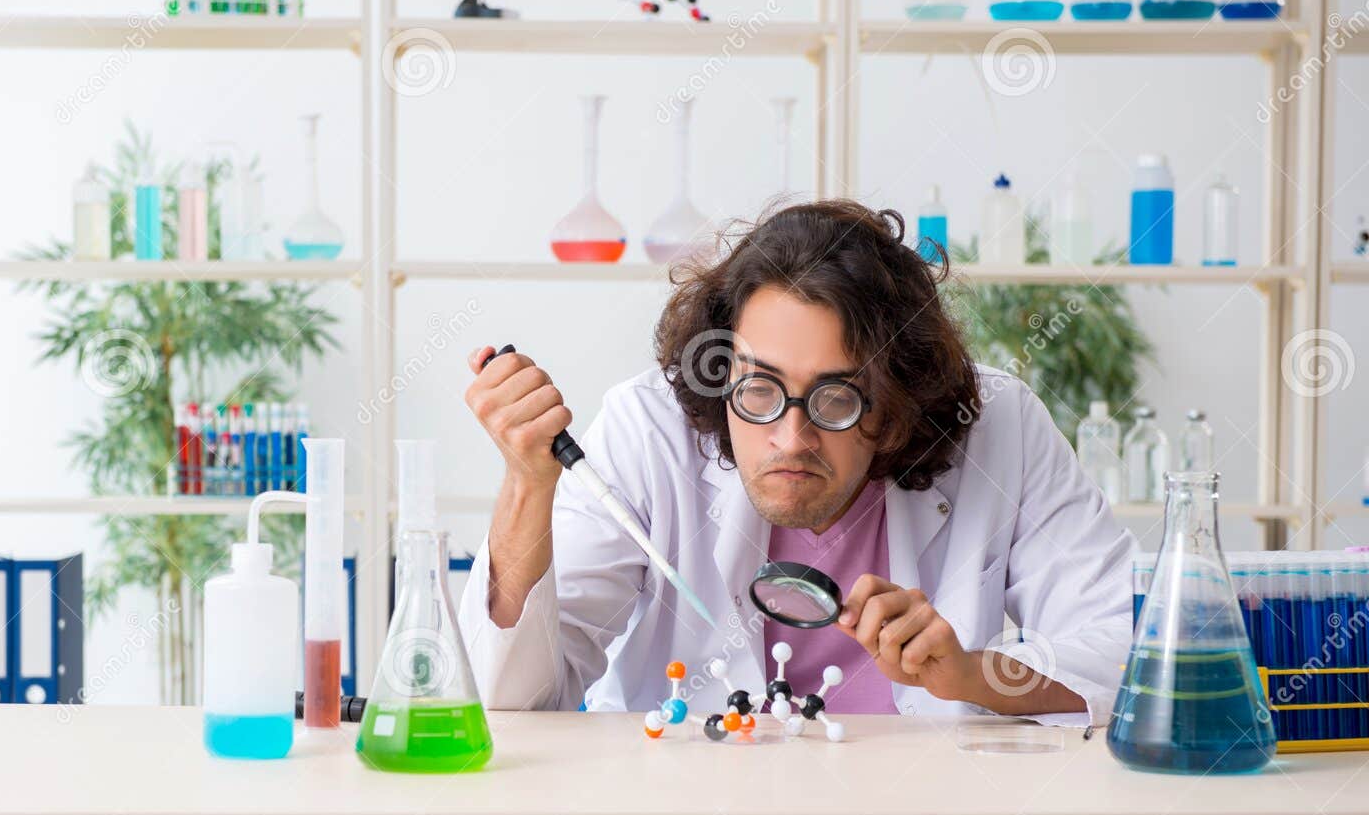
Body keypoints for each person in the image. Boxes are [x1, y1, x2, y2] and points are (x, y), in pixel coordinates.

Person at [456, 200, 1133, 725]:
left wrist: (967, 674)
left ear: (897, 402)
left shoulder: (997, 426)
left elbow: (1126, 648)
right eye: (757, 388)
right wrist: (526, 485)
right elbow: (509, 699)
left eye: (836, 398)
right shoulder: (647, 431)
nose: (791, 436)